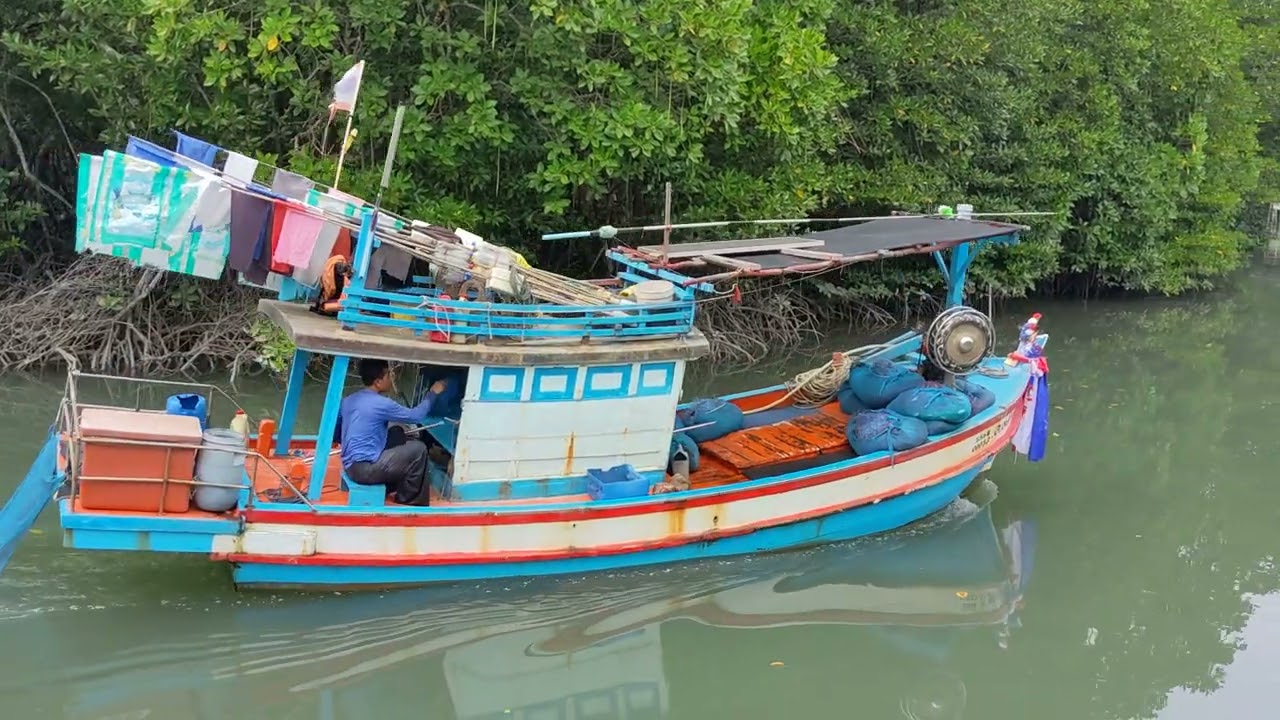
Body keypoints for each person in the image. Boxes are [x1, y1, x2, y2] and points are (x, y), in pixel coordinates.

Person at [338, 359, 447, 505]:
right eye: (388, 376)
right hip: (363, 471)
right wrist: (433, 393)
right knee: (418, 450)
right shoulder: (382, 404)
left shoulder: (349, 399)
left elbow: (337, 432)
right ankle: (410, 501)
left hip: (350, 465)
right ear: (378, 382)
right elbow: (416, 416)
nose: (391, 378)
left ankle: (396, 482)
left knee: (396, 431)